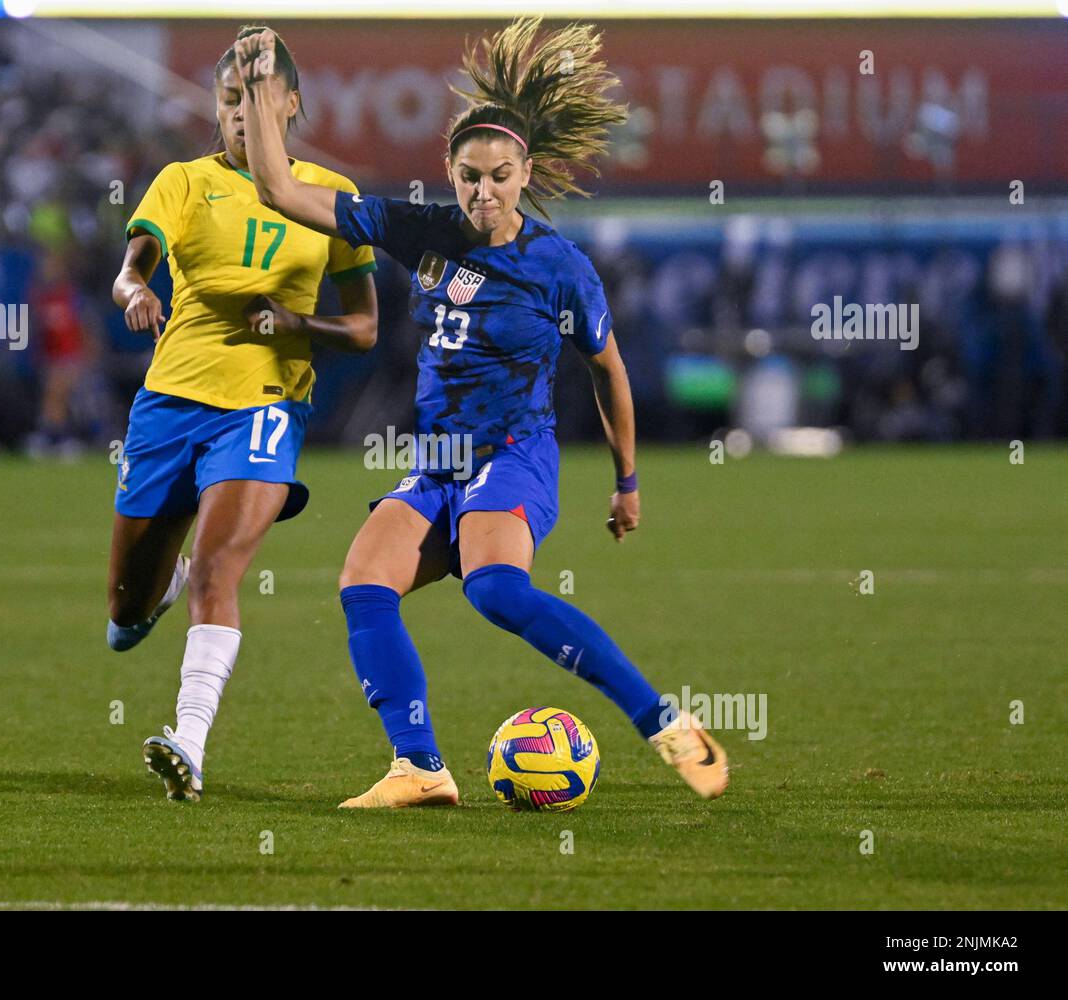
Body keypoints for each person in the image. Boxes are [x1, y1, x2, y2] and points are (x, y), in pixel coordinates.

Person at [234, 17, 728, 807]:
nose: (483, 191)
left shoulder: (558, 267)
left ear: (525, 171)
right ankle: (420, 767)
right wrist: (261, 92)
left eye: (499, 175)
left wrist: (626, 479)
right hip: (440, 462)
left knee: (494, 591)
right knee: (364, 582)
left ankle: (664, 721)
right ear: (449, 171)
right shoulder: (422, 229)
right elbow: (281, 190)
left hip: (515, 452)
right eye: (469, 175)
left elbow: (609, 371)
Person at [109, 26, 379, 801]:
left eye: (252, 99)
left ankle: (187, 744)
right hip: (171, 400)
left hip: (265, 405)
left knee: (221, 569)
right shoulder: (185, 181)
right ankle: (158, 587)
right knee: (125, 615)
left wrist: (298, 326)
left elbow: (364, 329)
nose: (236, 114)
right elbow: (130, 272)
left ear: (288, 105)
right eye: (227, 100)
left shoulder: (332, 196)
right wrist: (137, 293)